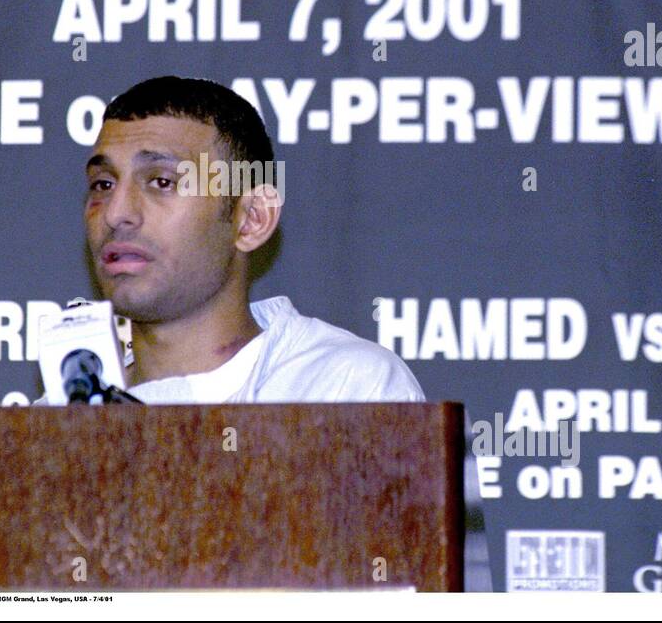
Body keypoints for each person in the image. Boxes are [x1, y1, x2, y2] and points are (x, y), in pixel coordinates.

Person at [61, 74, 424, 405]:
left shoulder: (348, 391)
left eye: (162, 182)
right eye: (103, 185)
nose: (115, 213)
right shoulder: (52, 423)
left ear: (251, 219)